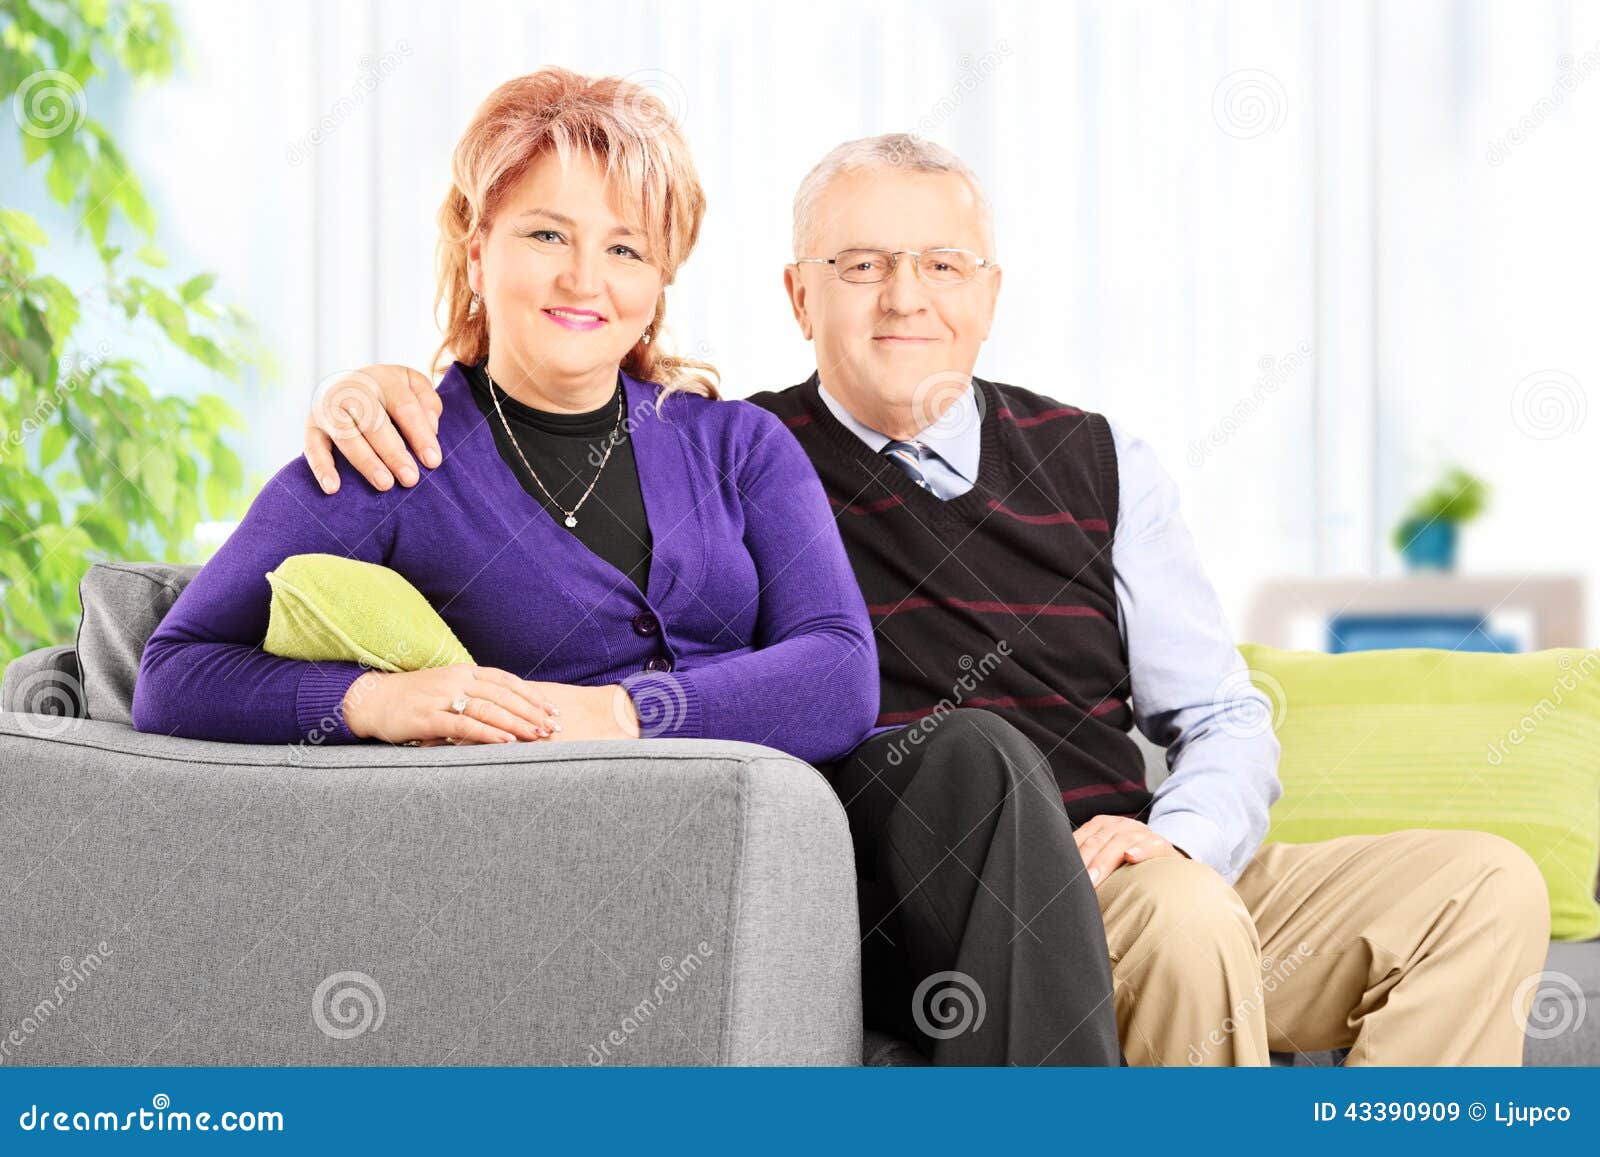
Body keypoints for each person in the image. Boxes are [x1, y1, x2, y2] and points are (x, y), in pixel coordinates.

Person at [309, 132, 1553, 1067]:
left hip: (1144, 858)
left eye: (940, 264)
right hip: (959, 902)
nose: (904, 296)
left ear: (988, 292)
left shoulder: (1098, 457)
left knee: (1481, 884)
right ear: (799, 295)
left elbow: (1221, 715)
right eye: (860, 265)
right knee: (1181, 921)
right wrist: (384, 387)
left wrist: (1180, 834)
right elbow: (553, 413)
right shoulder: (729, 458)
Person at [132, 68, 879, 772]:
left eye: (625, 249)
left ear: (659, 281)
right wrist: (373, 701)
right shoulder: (391, 453)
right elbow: (173, 675)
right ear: (477, 250)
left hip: (761, 836)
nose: (583, 279)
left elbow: (842, 673)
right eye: (547, 235)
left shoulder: (740, 446)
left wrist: (622, 712)